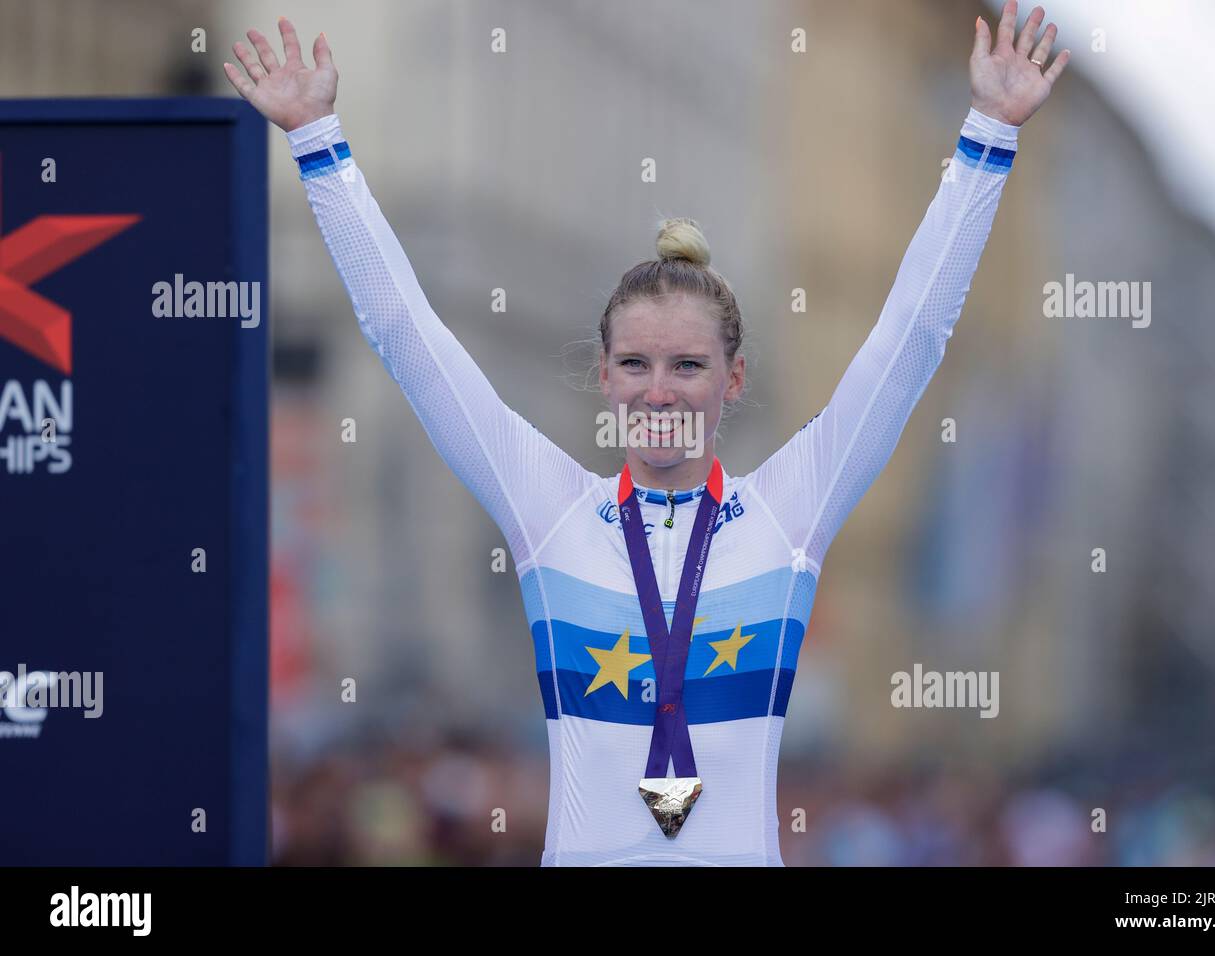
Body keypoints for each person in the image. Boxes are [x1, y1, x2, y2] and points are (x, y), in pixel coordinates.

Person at [225, 1, 1068, 866]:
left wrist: (986, 138)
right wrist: (318, 142)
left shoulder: (788, 516)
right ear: (605, 375)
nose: (659, 389)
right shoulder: (549, 509)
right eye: (635, 364)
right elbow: (405, 332)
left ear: (733, 380)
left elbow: (911, 336)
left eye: (688, 366)